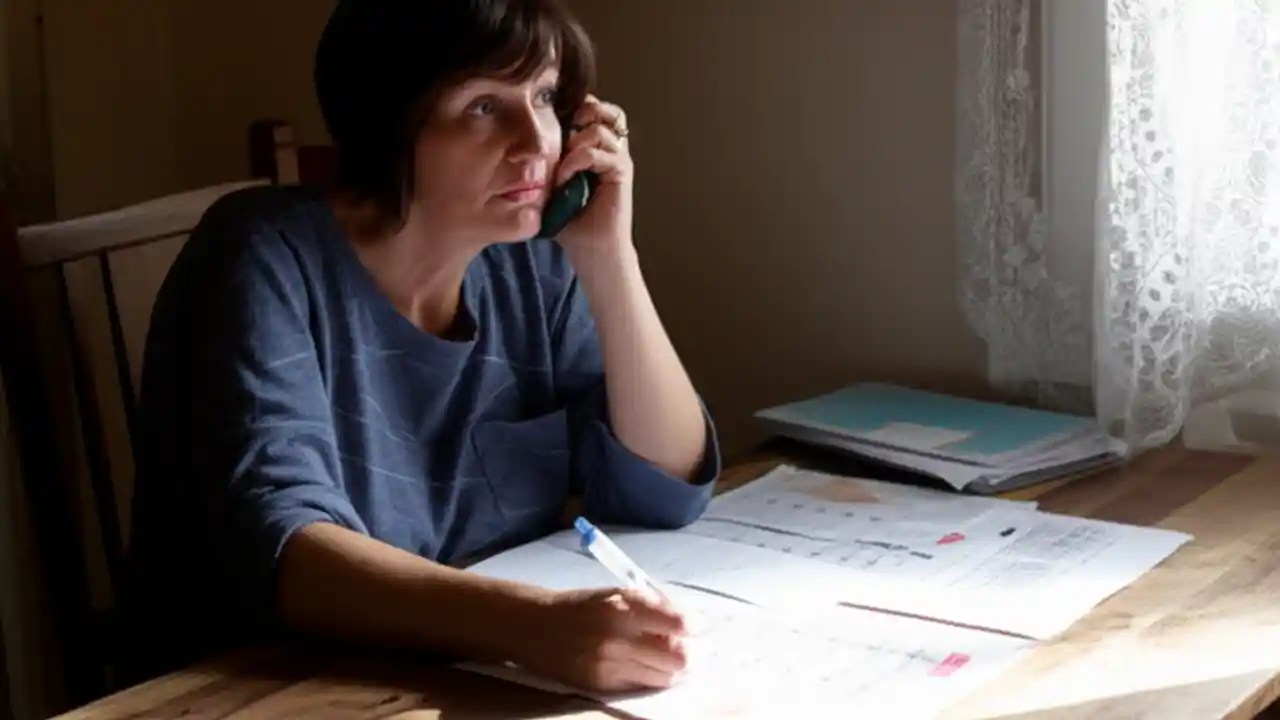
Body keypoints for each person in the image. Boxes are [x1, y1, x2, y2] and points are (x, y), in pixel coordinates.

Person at [119, 0, 720, 694]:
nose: (536, 141)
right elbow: (285, 550)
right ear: (390, 125)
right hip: (262, 690)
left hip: (457, 675)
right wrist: (532, 627)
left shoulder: (531, 266)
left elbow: (665, 487)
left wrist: (610, 258)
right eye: (484, 107)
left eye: (545, 97)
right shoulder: (264, 258)